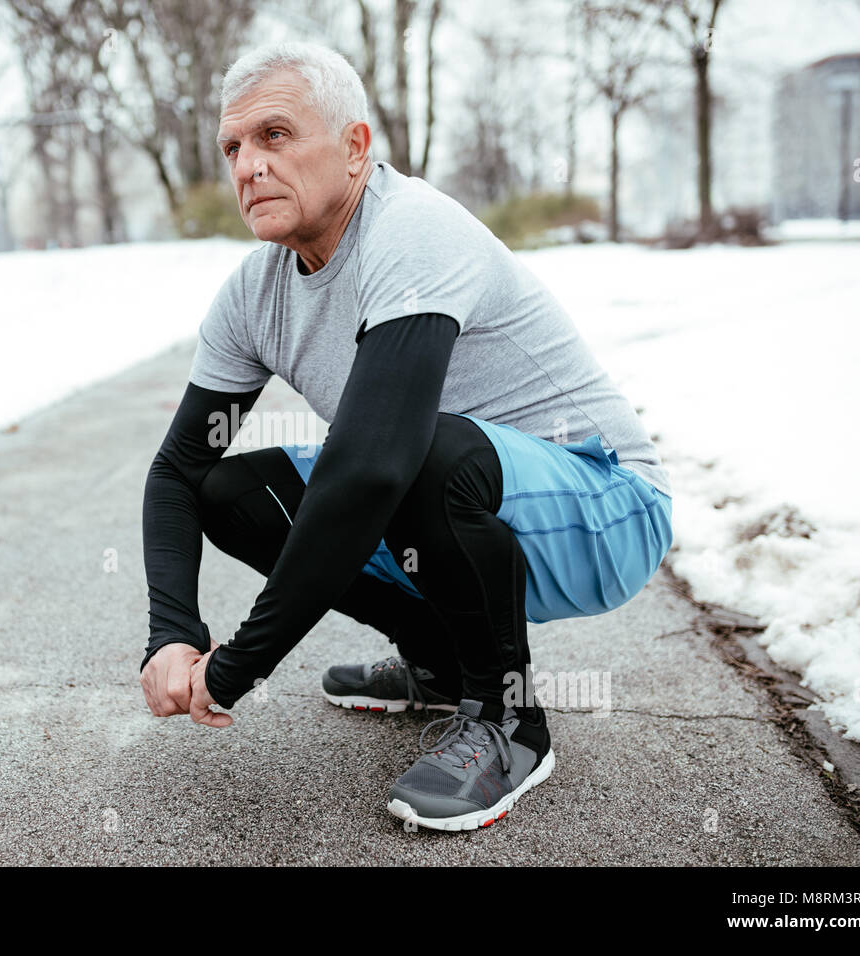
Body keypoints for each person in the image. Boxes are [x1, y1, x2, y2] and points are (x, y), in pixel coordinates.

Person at [139, 40, 674, 831]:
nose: (247, 164)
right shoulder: (253, 295)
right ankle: (439, 661)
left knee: (406, 452)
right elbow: (181, 472)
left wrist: (241, 665)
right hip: (465, 499)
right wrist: (172, 632)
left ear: (355, 147)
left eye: (275, 136)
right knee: (233, 491)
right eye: (233, 146)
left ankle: (507, 720)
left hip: (605, 510)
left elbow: (371, 468)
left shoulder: (412, 230)